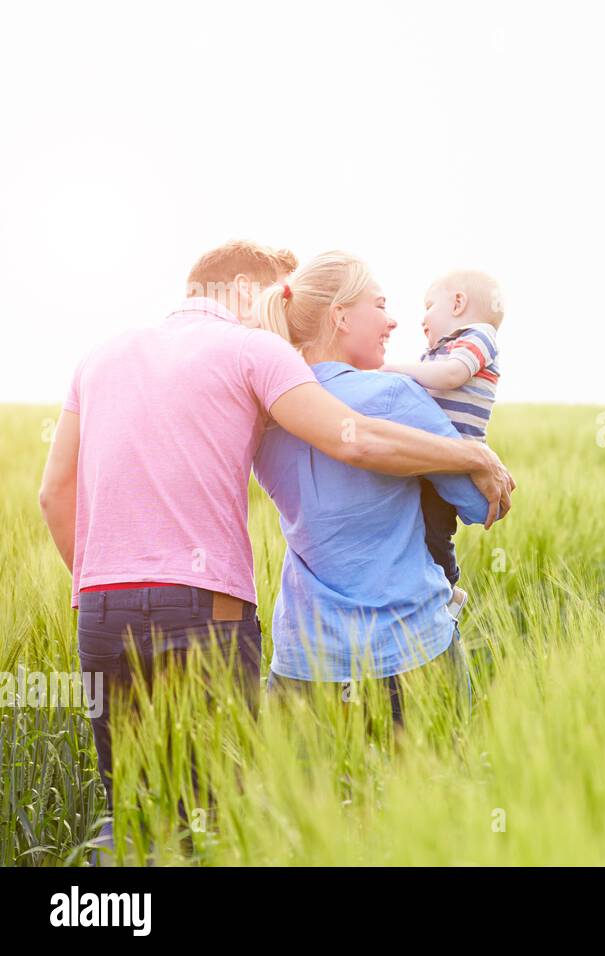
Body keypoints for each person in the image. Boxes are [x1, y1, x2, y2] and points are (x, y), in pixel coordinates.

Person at [36, 240, 514, 855]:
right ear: (245, 289)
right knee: (228, 817)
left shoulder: (110, 358)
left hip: (158, 624)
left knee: (137, 814)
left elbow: (53, 494)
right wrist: (474, 450)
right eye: (269, 299)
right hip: (270, 621)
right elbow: (366, 446)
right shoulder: (266, 361)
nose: (274, 317)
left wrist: (99, 591)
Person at [253, 252, 486, 723]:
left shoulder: (267, 419)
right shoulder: (395, 396)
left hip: (303, 660)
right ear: (340, 316)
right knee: (436, 792)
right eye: (380, 305)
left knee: (308, 798)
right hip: (410, 650)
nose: (394, 320)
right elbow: (480, 503)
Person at [381, 269, 503, 621]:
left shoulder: (479, 337)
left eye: (429, 305)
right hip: (429, 457)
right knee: (412, 528)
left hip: (452, 460)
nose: (423, 317)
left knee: (434, 531)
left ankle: (447, 590)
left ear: (458, 302)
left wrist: (393, 369)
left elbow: (451, 376)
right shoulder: (437, 353)